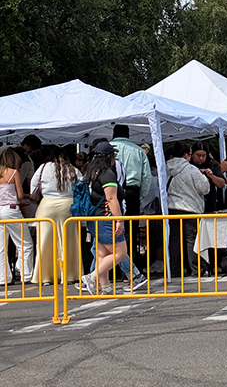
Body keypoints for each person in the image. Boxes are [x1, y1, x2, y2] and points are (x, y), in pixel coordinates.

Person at [81, 141, 128, 294]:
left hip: (95, 218)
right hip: (107, 217)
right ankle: (92, 277)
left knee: (103, 254)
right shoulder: (106, 173)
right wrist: (119, 220)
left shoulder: (91, 172)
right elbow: (112, 199)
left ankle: (106, 287)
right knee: (120, 253)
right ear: (109, 156)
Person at [30, 147, 81, 284]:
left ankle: (45, 276)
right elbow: (82, 187)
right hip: (68, 206)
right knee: (69, 241)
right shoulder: (73, 170)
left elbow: (33, 185)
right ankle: (69, 275)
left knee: (45, 241)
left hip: (47, 206)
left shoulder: (43, 168)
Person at [166, 144, 210, 277]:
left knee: (174, 240)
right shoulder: (192, 170)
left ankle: (175, 269)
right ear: (186, 155)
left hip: (172, 207)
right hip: (191, 208)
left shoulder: (165, 168)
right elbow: (205, 189)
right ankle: (195, 269)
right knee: (191, 239)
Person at [111, 124, 152, 265]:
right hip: (132, 191)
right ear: (128, 134)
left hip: (110, 190)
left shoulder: (107, 149)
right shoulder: (138, 150)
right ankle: (131, 266)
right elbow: (147, 177)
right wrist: (140, 196)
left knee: (109, 229)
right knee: (131, 230)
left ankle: (112, 267)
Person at [0, 147, 34, 285]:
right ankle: (26, 274)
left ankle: (3, 278)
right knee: (25, 244)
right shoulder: (13, 173)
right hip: (11, 210)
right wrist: (25, 198)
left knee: (1, 247)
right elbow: (19, 195)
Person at [191, 143, 226, 213]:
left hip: (209, 202)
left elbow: (222, 184)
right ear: (192, 155)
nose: (201, 158)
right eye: (198, 155)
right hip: (193, 203)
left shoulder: (212, 165)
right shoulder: (188, 166)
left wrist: (212, 176)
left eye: (203, 156)